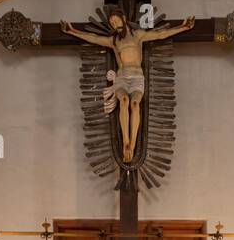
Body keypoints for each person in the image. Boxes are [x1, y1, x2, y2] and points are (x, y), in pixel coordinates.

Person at [61, 9, 194, 162]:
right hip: (122, 78)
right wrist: (72, 31)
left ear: (123, 18)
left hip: (137, 77)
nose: (114, 24)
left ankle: (133, 141)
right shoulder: (114, 40)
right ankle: (126, 142)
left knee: (135, 104)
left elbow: (159, 34)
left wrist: (183, 27)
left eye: (116, 20)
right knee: (124, 101)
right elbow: (94, 38)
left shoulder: (137, 35)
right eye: (111, 23)